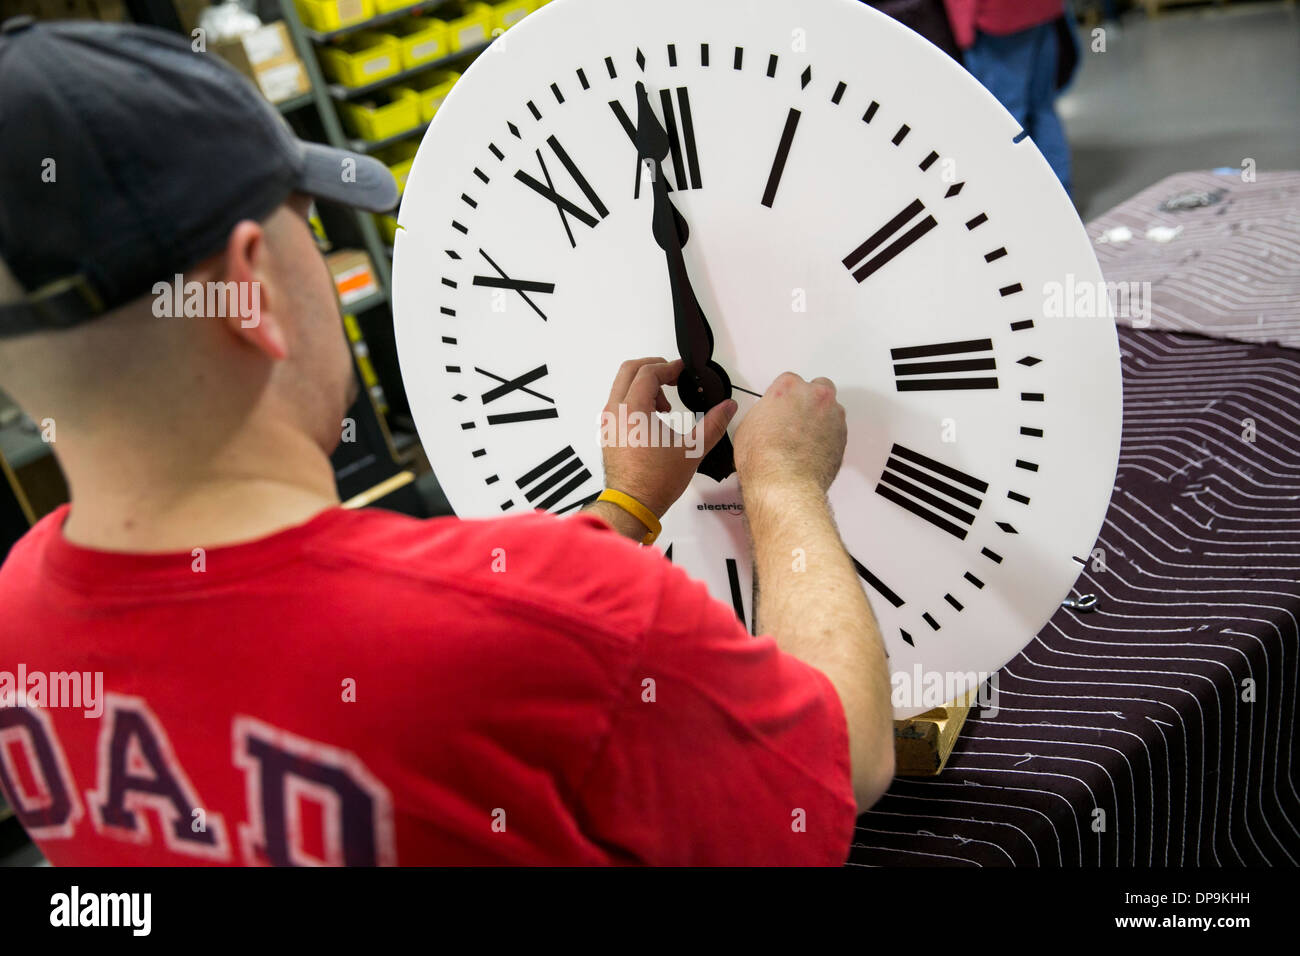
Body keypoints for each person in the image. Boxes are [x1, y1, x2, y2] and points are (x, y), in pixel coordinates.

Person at [0, 18, 893, 865]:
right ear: (251, 290)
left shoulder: (20, 618)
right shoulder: (564, 623)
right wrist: (782, 486)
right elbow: (844, 764)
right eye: (307, 226)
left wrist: (621, 509)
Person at [944, 0, 1076, 194]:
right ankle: (1062, 201)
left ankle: (1023, 207)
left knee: (1005, 124)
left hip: (997, 21)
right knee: (1042, 109)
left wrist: (963, 32)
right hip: (1042, 11)